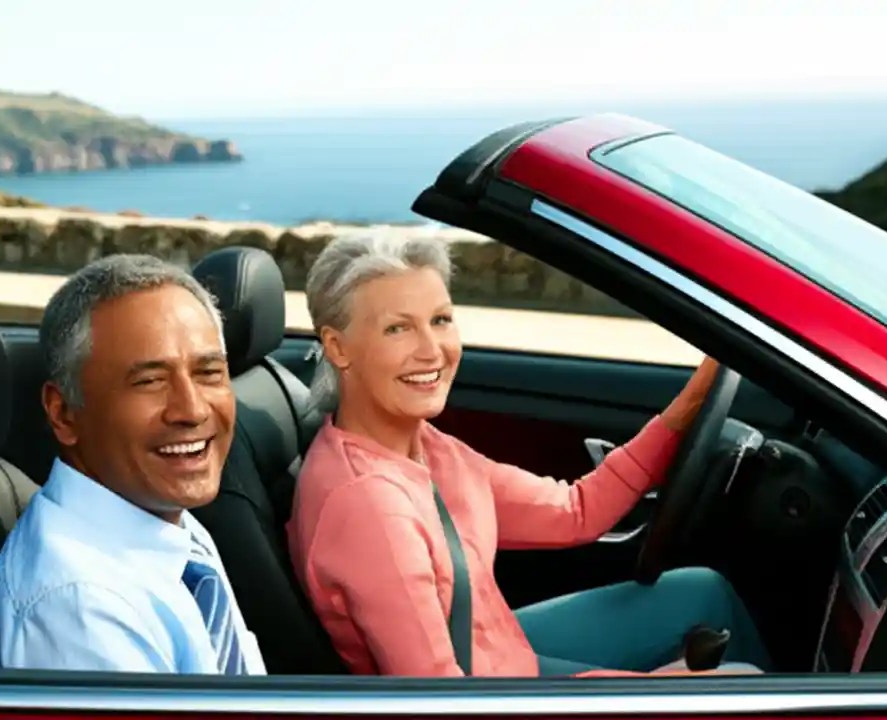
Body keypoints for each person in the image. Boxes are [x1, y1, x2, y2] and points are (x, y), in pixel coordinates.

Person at [285, 234, 771, 677]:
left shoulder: (426, 447)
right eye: (398, 329)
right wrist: (645, 690)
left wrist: (690, 406)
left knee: (703, 592)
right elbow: (443, 705)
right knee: (742, 682)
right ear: (338, 347)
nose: (432, 350)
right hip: (489, 700)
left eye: (440, 320)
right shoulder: (368, 507)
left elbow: (575, 510)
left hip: (497, 652)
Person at [0, 254, 266, 675]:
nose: (192, 409)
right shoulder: (80, 608)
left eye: (208, 373)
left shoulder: (162, 522)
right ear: (63, 413)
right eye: (149, 381)